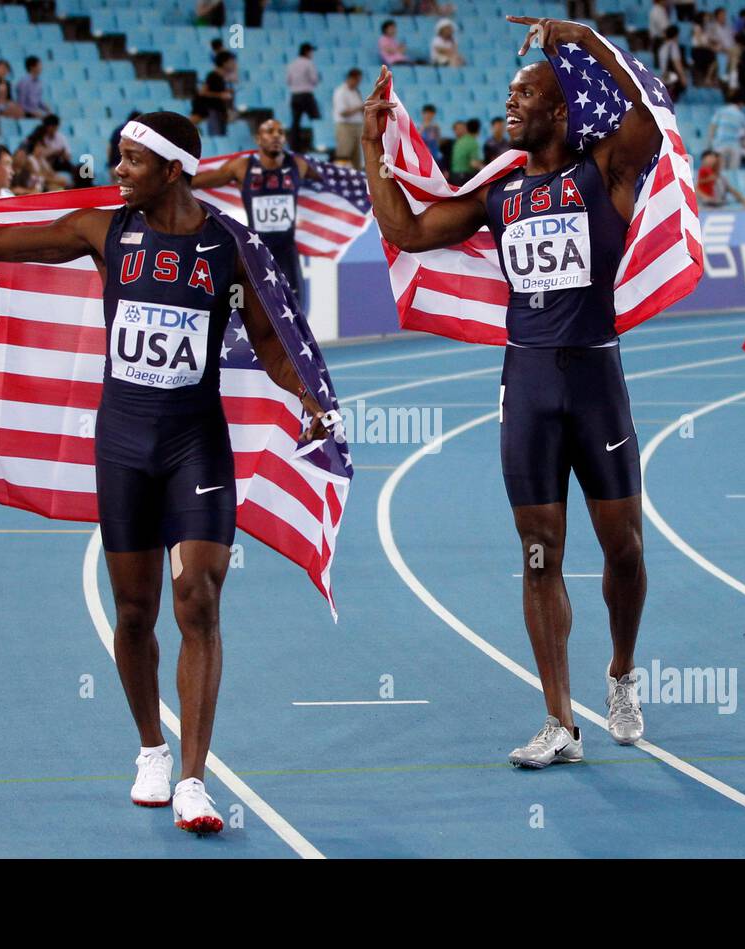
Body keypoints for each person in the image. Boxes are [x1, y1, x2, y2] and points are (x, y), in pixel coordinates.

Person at [0, 111, 330, 834]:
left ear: (172, 168)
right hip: (124, 444)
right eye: (117, 158)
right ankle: (151, 749)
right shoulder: (104, 231)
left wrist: (307, 394)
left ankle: (194, 777)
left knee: (199, 599)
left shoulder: (227, 246)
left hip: (197, 444)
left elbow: (269, 344)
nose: (116, 171)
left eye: (130, 160)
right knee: (134, 611)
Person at [361, 16, 663, 767]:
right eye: (509, 95)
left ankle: (621, 671)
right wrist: (372, 151)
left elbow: (647, 123)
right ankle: (559, 719)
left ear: (560, 109)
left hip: (596, 381)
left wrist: (583, 41)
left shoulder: (605, 172)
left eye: (525, 94)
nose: (509, 105)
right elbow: (406, 225)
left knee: (622, 548)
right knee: (538, 554)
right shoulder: (500, 194)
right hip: (526, 386)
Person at [189, 118, 323, 304]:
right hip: (257, 249)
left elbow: (327, 179)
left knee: (294, 309)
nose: (276, 135)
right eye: (270, 131)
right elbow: (197, 182)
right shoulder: (242, 167)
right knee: (256, 307)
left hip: (287, 252)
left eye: (280, 132)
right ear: (258, 139)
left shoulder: (298, 165)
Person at [286, 43, 321, 150]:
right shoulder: (308, 63)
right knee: (316, 119)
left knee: (295, 122)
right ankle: (316, 142)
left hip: (295, 95)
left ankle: (294, 146)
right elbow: (314, 80)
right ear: (307, 52)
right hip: (306, 95)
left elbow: (288, 81)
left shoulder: (292, 64)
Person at [333, 69, 365, 170]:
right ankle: (341, 176)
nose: (358, 83)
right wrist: (360, 108)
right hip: (345, 126)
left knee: (356, 155)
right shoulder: (340, 92)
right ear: (351, 79)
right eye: (357, 81)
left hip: (357, 125)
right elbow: (342, 112)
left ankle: (357, 178)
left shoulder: (356, 92)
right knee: (344, 153)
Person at [448, 117, 481, 184]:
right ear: (478, 131)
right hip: (464, 177)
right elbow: (473, 164)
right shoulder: (473, 142)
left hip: (454, 176)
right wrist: (485, 168)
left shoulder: (460, 140)